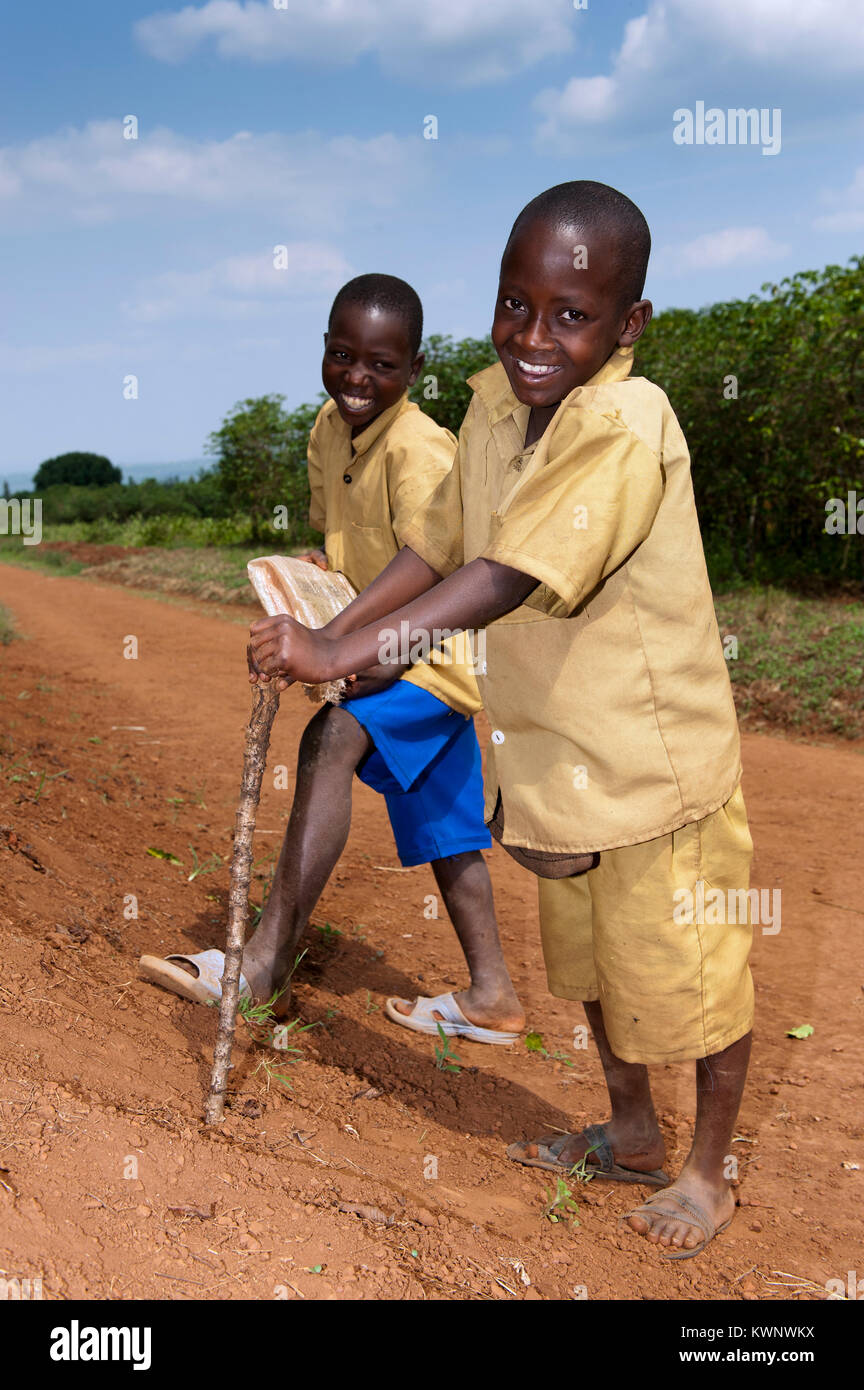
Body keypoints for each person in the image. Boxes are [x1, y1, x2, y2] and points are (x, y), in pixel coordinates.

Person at [248, 187, 755, 1260]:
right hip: (558, 756)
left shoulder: (625, 422)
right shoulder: (488, 407)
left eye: (570, 314)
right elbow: (435, 545)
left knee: (691, 976)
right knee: (593, 966)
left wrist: (340, 656)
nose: (532, 336)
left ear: (629, 325)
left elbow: (501, 575)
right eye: (514, 304)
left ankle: (710, 1172)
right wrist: (327, 619)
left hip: (653, 765)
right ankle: (629, 1129)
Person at [141, 273, 523, 1045]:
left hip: (430, 653)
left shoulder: (421, 450)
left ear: (415, 371)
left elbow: (440, 564)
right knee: (446, 819)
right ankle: (492, 995)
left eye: (381, 365)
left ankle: (264, 967)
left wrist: (336, 642)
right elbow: (342, 542)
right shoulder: (328, 428)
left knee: (331, 739)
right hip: (371, 644)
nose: (357, 377)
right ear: (323, 350)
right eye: (342, 355)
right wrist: (307, 588)